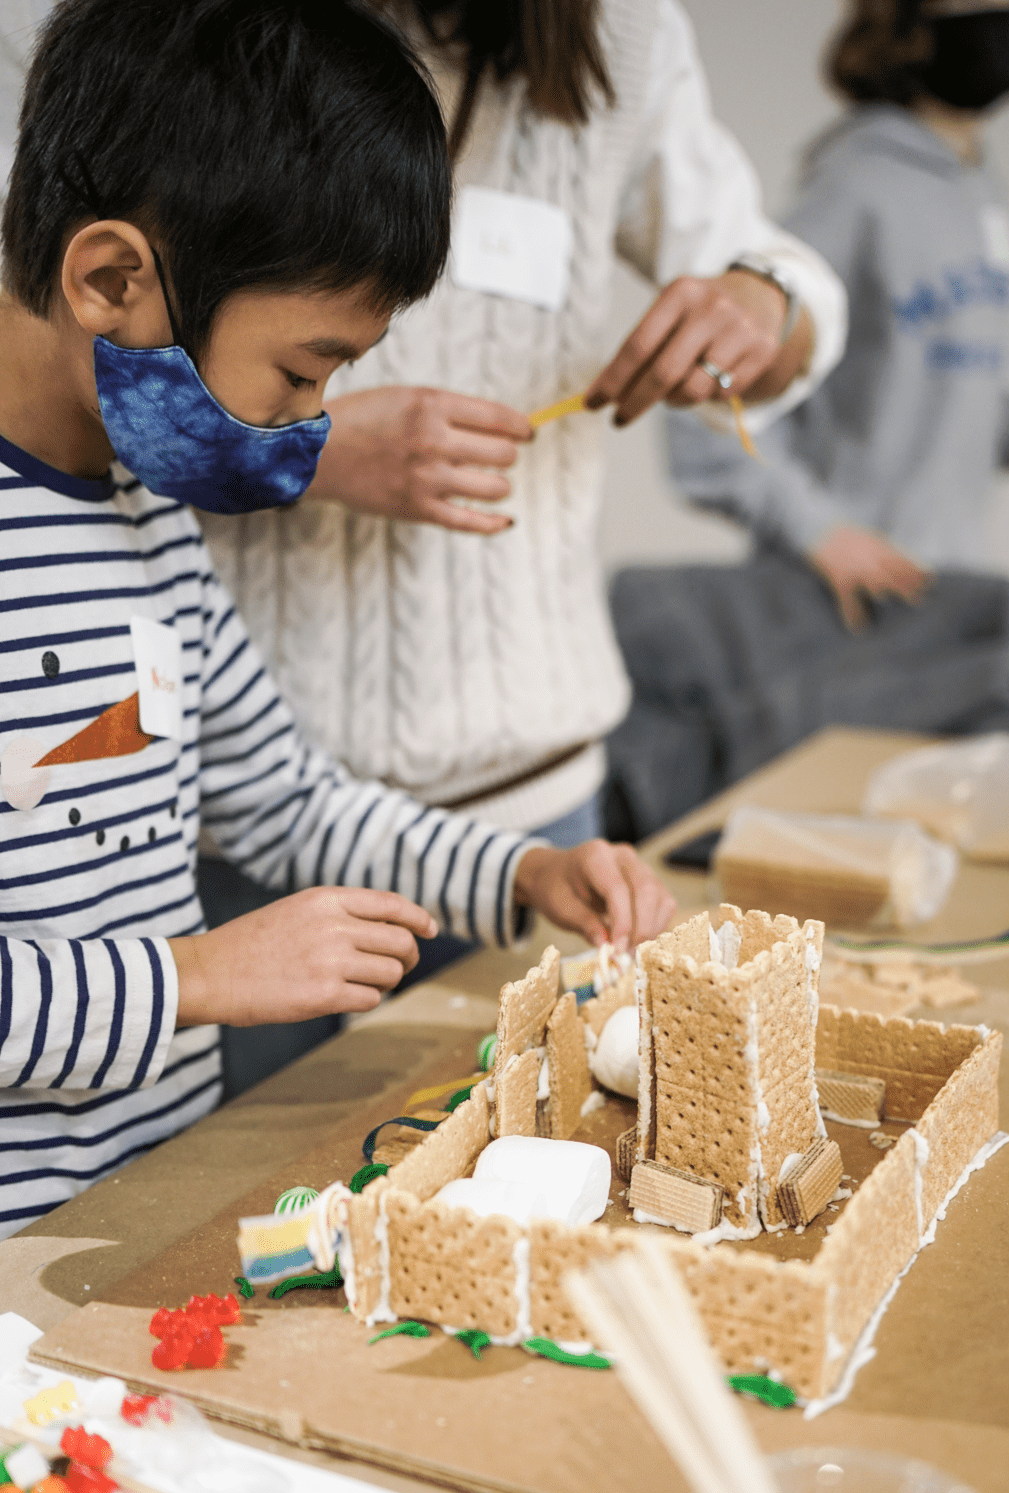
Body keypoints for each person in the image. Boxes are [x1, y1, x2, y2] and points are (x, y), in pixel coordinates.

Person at [0, 0, 674, 1238]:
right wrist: (197, 977)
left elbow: (291, 802)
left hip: (142, 1216)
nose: (315, 419)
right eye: (304, 370)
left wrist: (524, 872)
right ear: (109, 278)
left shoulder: (145, 514)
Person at [197, 0, 848, 846]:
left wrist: (762, 297)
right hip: (245, 807)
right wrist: (294, 452)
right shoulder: (192, 31)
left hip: (535, 809)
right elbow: (53, 354)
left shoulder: (629, 33)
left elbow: (792, 294)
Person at [606, 0, 1009, 839]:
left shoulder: (982, 194)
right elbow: (706, 395)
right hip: (840, 620)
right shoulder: (855, 187)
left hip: (940, 600)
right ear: (908, 21)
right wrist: (820, 529)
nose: (1003, 14)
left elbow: (930, 396)